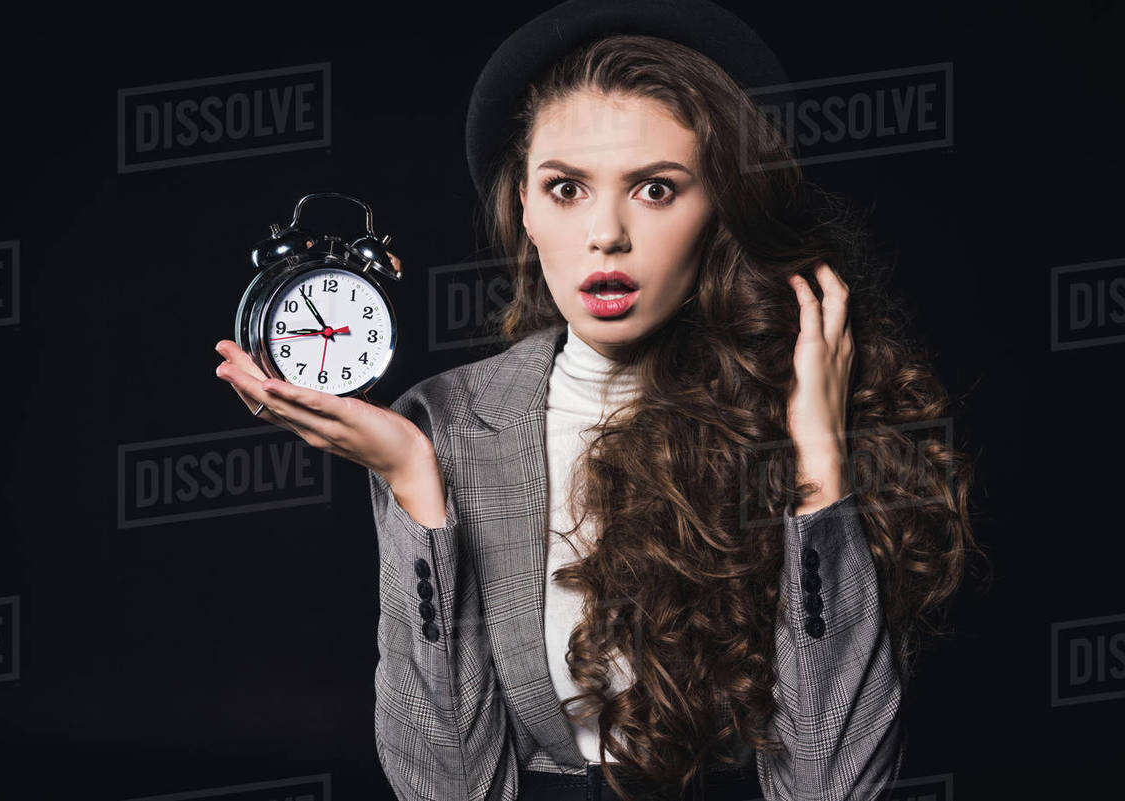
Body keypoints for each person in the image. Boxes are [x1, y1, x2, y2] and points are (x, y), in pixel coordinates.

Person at [213, 3, 982, 799]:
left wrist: (818, 462)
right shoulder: (446, 424)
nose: (606, 233)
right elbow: (447, 787)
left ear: (719, 207)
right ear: (525, 209)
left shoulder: (785, 420)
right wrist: (414, 479)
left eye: (655, 188)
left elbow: (833, 785)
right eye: (567, 188)